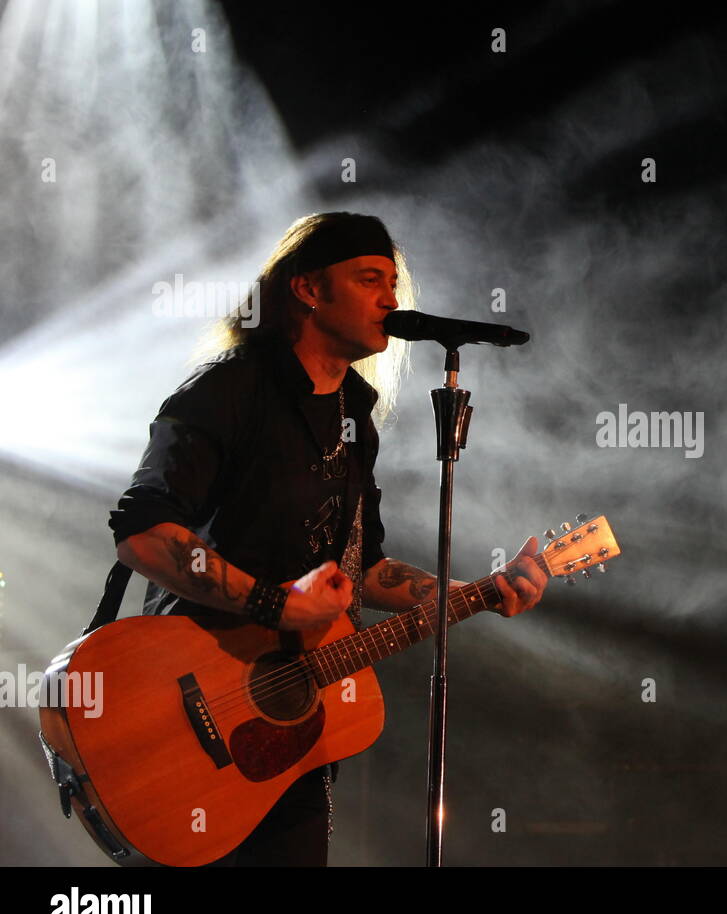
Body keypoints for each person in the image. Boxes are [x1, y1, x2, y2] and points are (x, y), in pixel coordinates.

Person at [108, 211, 548, 865]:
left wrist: (474, 591)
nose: (391, 299)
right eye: (370, 278)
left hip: (294, 747)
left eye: (394, 283)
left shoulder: (353, 420)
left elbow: (362, 566)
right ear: (309, 289)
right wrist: (274, 605)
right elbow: (143, 530)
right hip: (189, 718)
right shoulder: (227, 391)